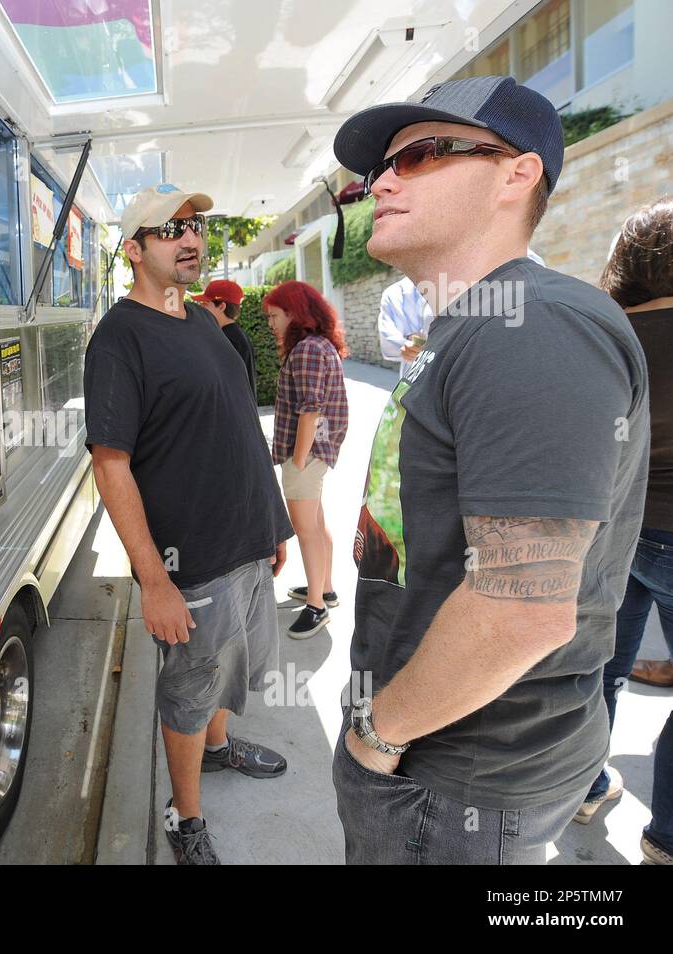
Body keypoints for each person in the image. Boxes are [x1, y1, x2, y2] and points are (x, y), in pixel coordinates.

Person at [329, 74, 649, 864]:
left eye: (424, 154)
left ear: (518, 173)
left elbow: (522, 609)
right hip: (441, 751)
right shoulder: (472, 323)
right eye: (380, 170)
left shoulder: (532, 326)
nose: (384, 182)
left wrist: (377, 734)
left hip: (458, 775)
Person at [83, 183, 293, 865]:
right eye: (170, 228)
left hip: (248, 542)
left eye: (195, 225)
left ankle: (220, 749)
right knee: (190, 687)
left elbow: (235, 426)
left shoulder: (204, 321)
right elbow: (111, 466)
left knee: (232, 669)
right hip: (189, 561)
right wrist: (154, 581)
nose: (191, 237)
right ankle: (185, 815)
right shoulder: (118, 338)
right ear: (134, 249)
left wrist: (273, 528)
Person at [573, 196, 671, 864]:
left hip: (616, 528)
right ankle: (666, 835)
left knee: (603, 668)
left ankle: (586, 785)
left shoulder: (599, 331)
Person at [265, 280, 349, 638]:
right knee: (315, 523)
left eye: (274, 316)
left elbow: (309, 410)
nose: (270, 323)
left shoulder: (307, 350)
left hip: (307, 454)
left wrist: (298, 459)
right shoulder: (317, 346)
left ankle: (316, 606)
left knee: (306, 531)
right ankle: (324, 589)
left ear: (293, 313)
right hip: (316, 453)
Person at [379, 250, 547, 377]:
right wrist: (408, 344)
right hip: (422, 384)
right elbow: (390, 342)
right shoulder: (396, 294)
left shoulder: (508, 261)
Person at [192, 279, 256, 396]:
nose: (201, 308)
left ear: (221, 306)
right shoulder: (236, 335)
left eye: (205, 304)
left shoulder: (227, 339)